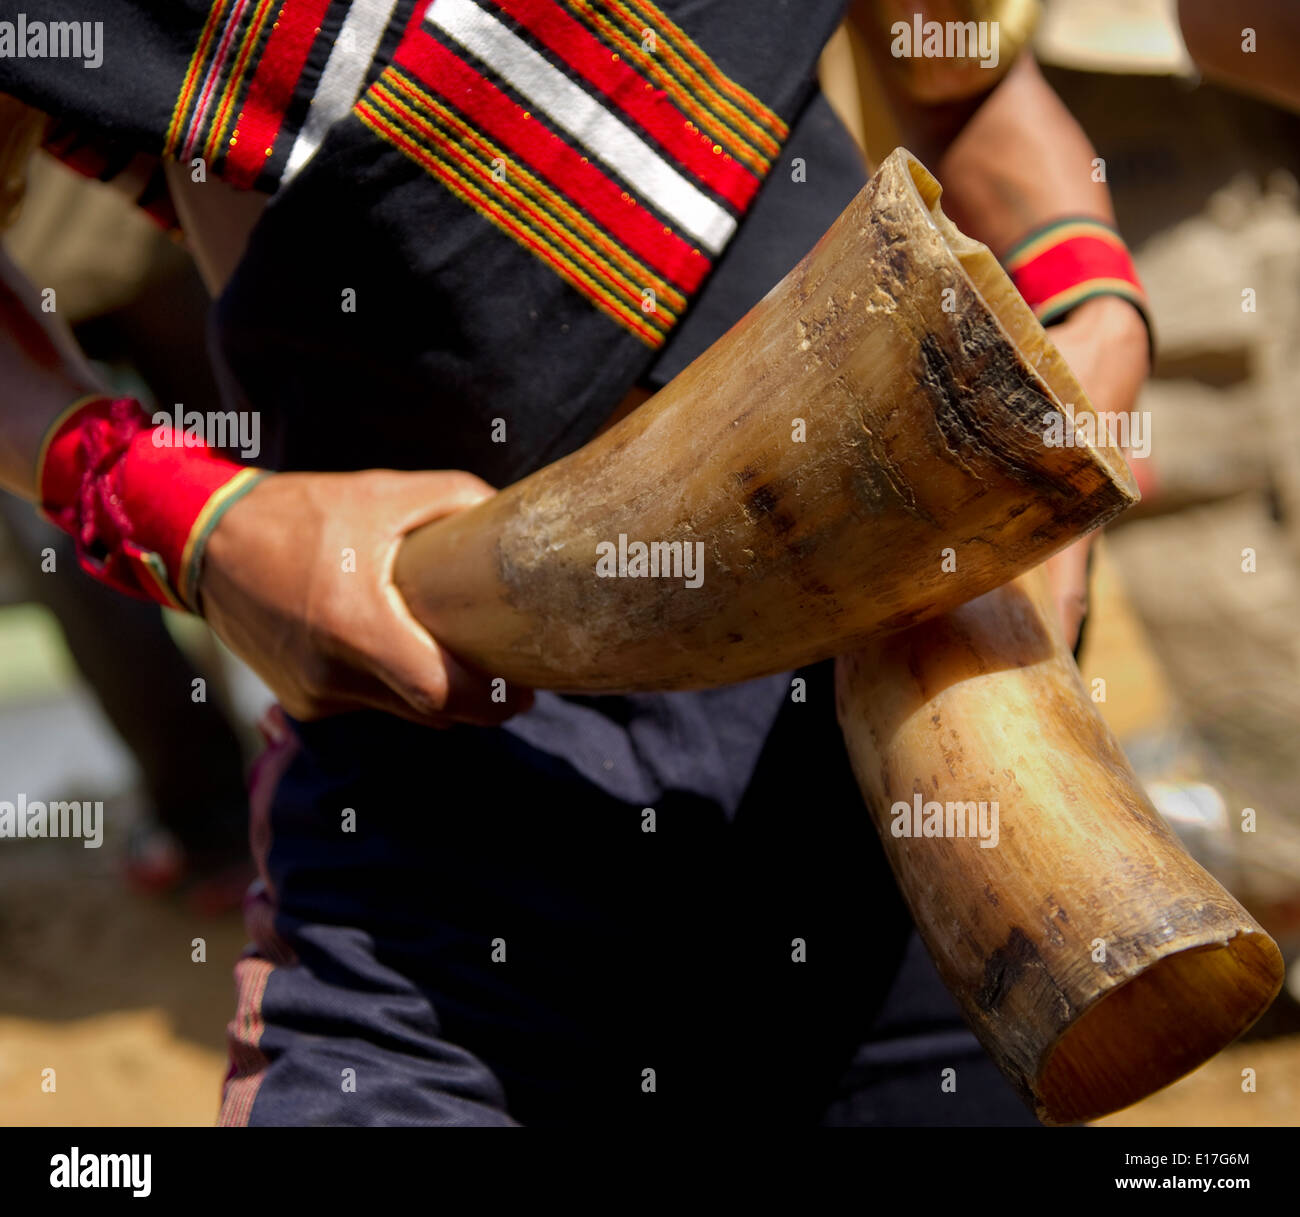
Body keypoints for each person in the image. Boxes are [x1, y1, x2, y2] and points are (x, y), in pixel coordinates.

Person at [0, 0, 1150, 1125]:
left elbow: (970, 81)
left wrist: (1090, 318)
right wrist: (192, 518)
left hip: (900, 722)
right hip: (442, 746)